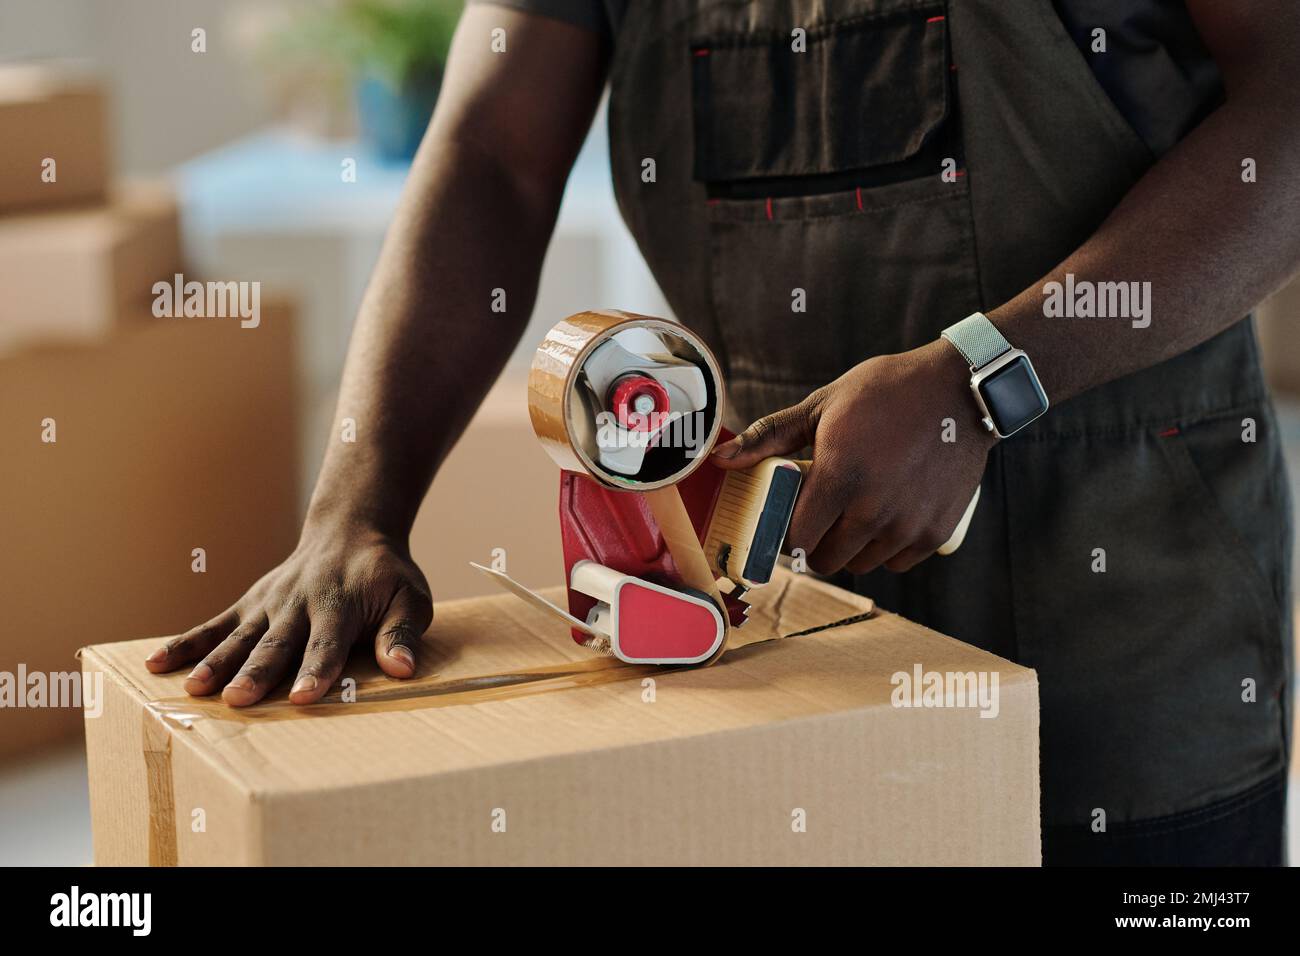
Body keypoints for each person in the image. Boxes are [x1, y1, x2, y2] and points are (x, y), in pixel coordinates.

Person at [145, 0, 1297, 865]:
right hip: (774, 643)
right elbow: (491, 151)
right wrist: (355, 506)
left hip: (1127, 634)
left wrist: (982, 379)